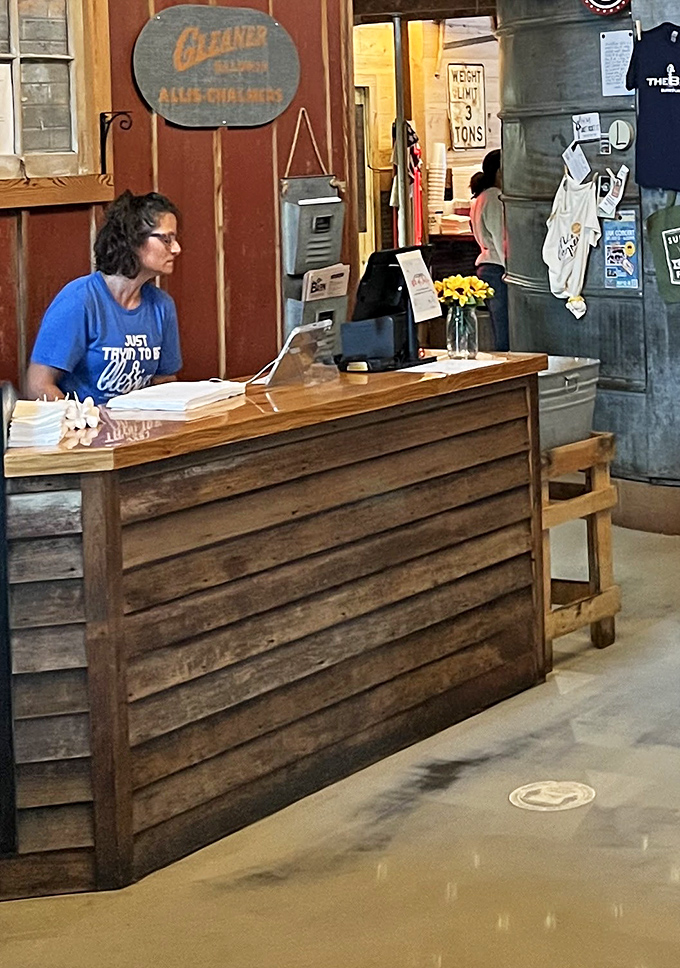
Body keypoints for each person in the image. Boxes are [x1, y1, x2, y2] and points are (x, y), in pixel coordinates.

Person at [26, 190, 183, 405]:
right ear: (133, 239)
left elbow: (164, 381)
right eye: (166, 239)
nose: (176, 248)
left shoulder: (162, 306)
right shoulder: (79, 300)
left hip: (143, 431)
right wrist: (77, 420)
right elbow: (38, 385)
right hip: (84, 430)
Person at [469, 149, 509, 352]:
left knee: (500, 327)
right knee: (504, 331)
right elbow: (500, 237)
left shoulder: (480, 197)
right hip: (497, 269)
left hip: (488, 267)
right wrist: (510, 271)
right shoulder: (494, 197)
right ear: (500, 171)